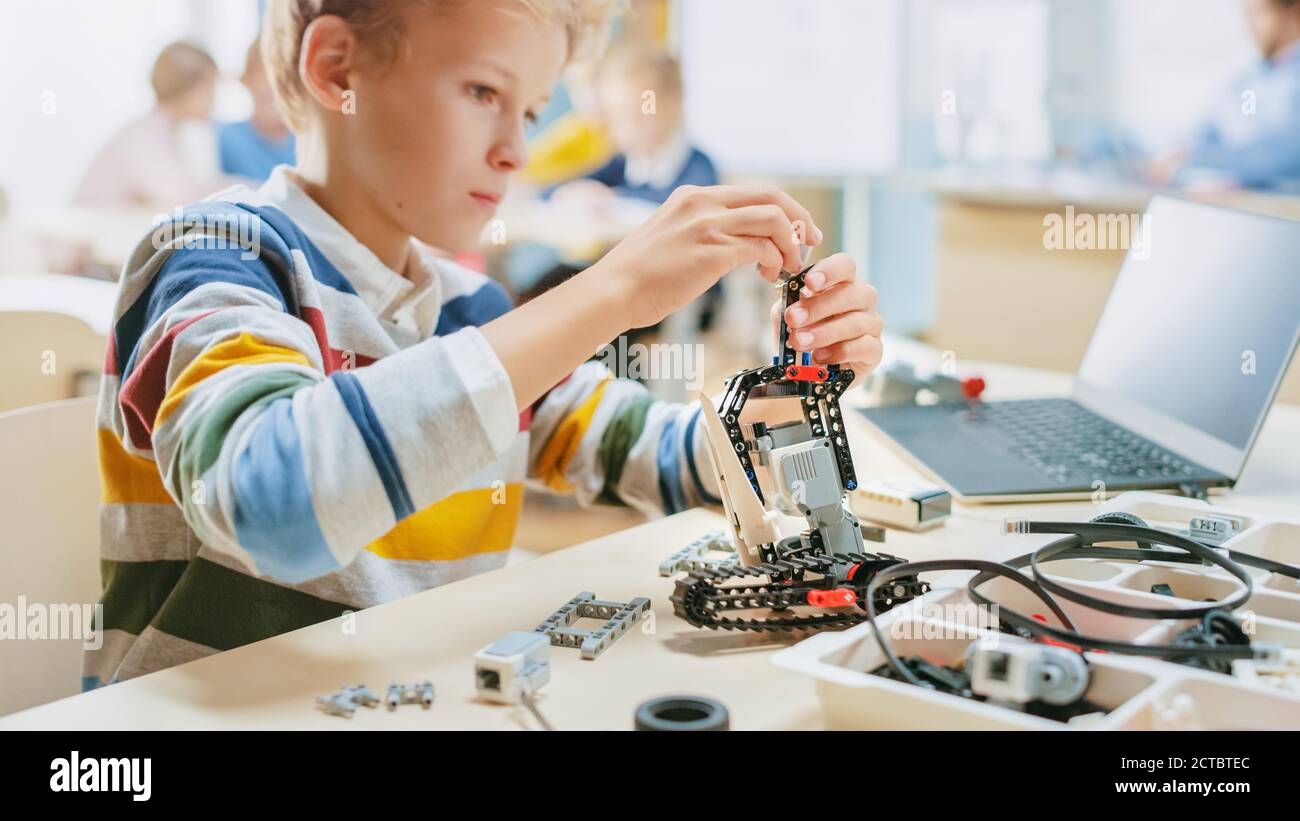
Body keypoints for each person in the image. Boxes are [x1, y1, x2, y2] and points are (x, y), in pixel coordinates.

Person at [85, 0, 883, 687]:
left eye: (530, 111)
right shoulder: (213, 253)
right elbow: (271, 502)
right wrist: (610, 290)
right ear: (336, 70)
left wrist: (785, 399)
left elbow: (658, 454)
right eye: (481, 91)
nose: (516, 150)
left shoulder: (469, 306)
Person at [73, 41, 236, 210]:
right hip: (91, 230)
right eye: (210, 86)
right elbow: (185, 196)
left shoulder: (164, 130)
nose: (214, 97)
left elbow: (199, 186)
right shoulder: (144, 137)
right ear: (188, 89)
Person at [1165, 0, 1300, 191]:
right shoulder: (1244, 83)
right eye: (1247, 15)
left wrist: (1192, 158)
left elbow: (1279, 156)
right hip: (1240, 206)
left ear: (1294, 8)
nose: (1249, 26)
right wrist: (1177, 155)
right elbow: (1201, 134)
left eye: (1258, 13)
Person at [219, 38, 297, 182]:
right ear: (245, 80)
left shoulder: (306, 143)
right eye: (265, 95)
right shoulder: (227, 138)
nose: (272, 87)